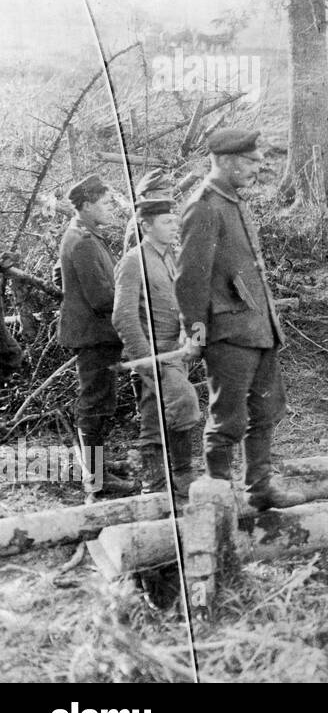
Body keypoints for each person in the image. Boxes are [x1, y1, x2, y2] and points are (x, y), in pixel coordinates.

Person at [175, 129, 305, 510]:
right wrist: (195, 335)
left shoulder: (232, 201)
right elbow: (190, 279)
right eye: (251, 162)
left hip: (258, 328)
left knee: (267, 411)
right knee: (228, 419)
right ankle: (218, 495)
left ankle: (260, 487)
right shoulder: (205, 205)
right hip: (229, 333)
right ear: (229, 161)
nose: (258, 168)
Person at [112, 198, 201, 499]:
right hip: (153, 353)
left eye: (175, 220)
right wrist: (144, 358)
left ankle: (160, 485)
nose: (174, 226)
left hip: (176, 352)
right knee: (183, 402)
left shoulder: (171, 257)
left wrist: (193, 339)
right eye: (166, 222)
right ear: (145, 226)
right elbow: (122, 315)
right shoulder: (133, 260)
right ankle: (179, 475)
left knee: (156, 416)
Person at [58, 174, 133, 499]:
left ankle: (98, 466)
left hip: (95, 333)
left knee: (100, 399)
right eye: (104, 204)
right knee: (95, 402)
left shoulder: (82, 234)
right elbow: (101, 298)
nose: (109, 210)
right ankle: (97, 478)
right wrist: (133, 299)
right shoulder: (84, 241)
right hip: (95, 334)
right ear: (86, 206)